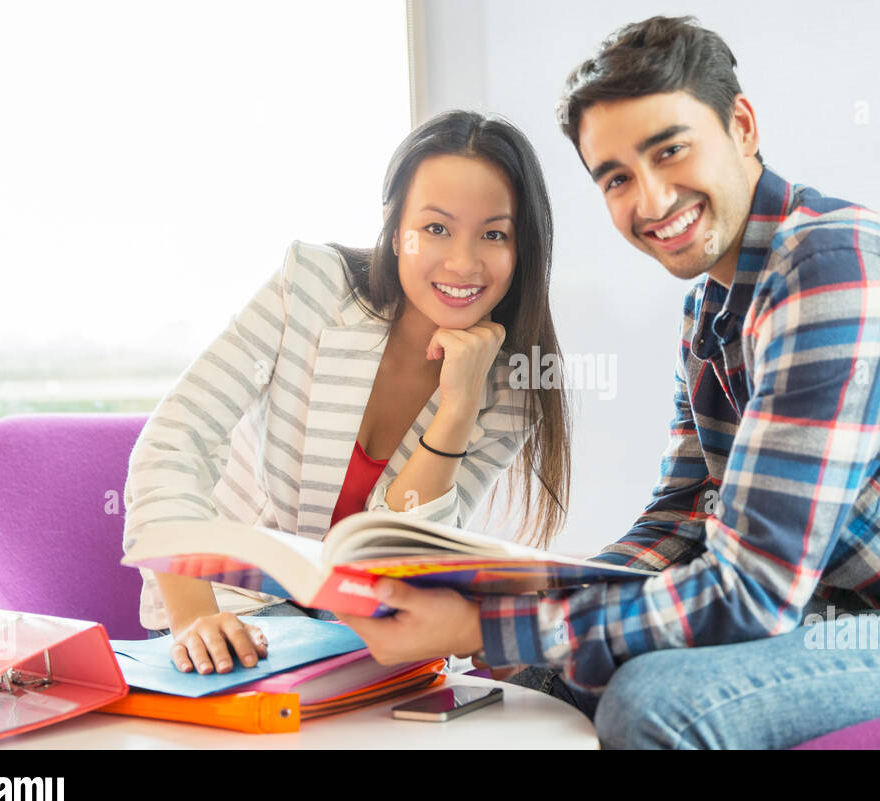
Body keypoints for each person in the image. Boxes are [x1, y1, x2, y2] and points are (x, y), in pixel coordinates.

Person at [337, 16, 880, 749]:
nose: (651, 199)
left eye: (670, 149)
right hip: (852, 607)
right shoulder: (713, 305)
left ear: (741, 125)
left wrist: (491, 623)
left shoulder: (834, 273)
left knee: (653, 705)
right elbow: (683, 520)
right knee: (536, 680)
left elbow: (754, 591)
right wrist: (507, 585)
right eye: (616, 177)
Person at [120, 110, 570, 676]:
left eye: (494, 234)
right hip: (231, 617)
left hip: (368, 637)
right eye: (435, 228)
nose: (463, 261)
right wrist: (193, 619)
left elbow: (403, 555)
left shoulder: (514, 386)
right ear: (393, 225)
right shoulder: (309, 288)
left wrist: (457, 409)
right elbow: (173, 442)